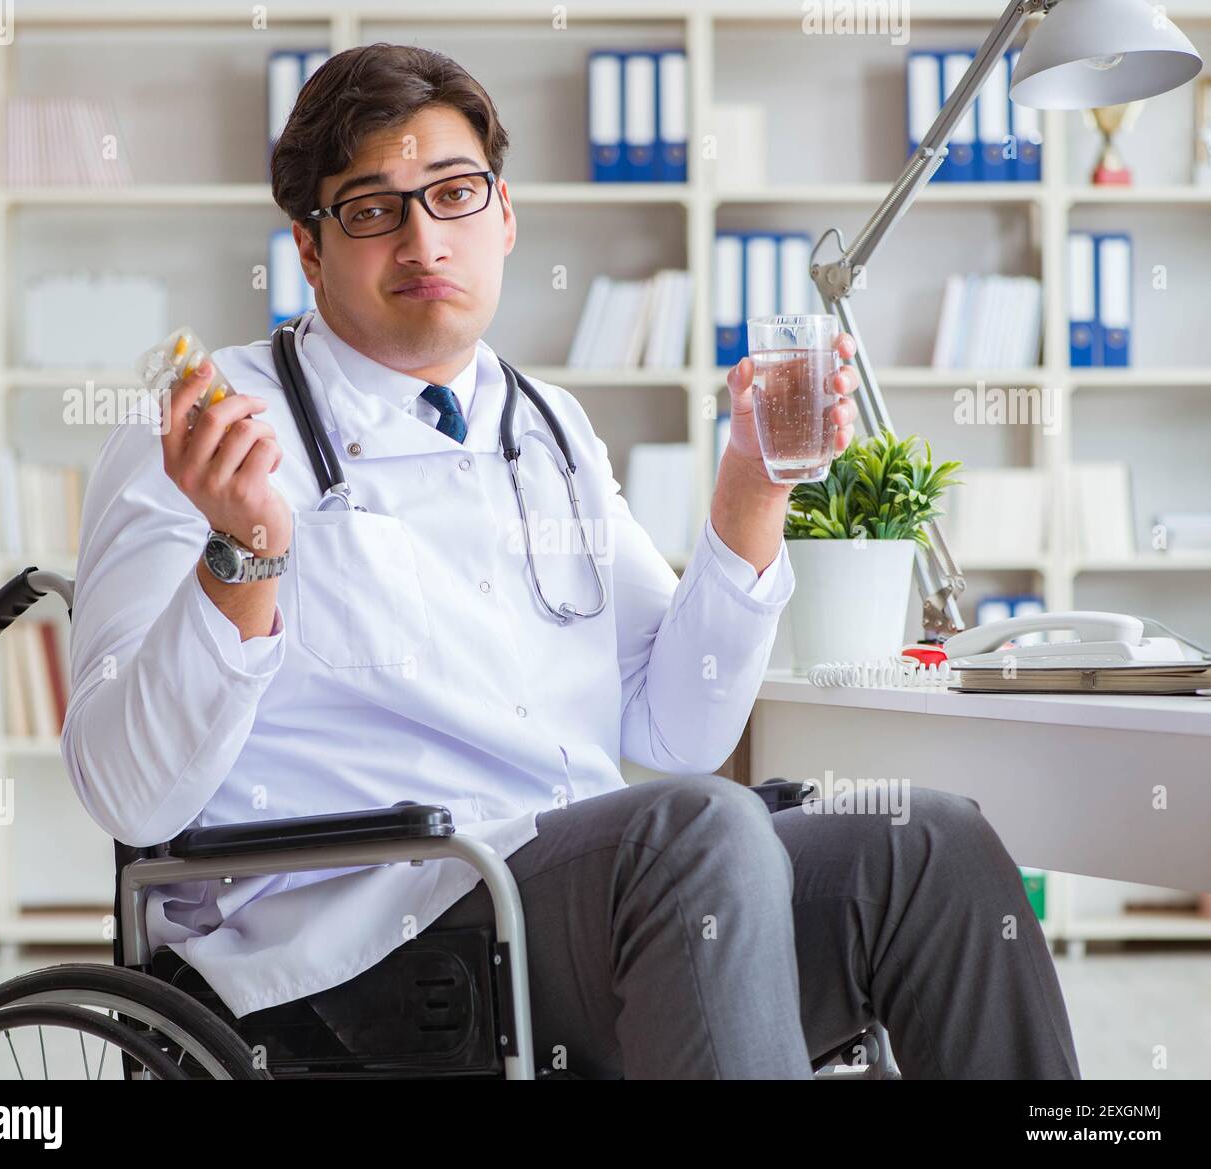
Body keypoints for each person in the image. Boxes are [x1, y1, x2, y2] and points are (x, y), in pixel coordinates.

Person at [62, 42, 1080, 1080]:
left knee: (926, 841)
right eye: (372, 208)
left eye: (454, 193)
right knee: (700, 832)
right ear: (310, 250)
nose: (424, 237)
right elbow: (129, 795)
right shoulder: (203, 435)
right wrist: (245, 554)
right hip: (353, 949)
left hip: (588, 899)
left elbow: (679, 726)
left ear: (504, 216)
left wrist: (751, 490)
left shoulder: (546, 424)